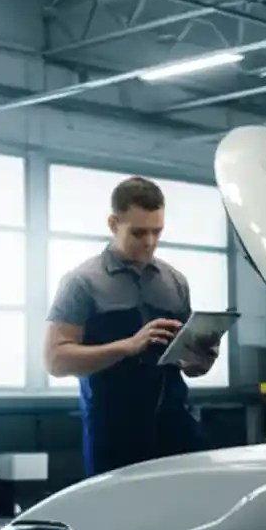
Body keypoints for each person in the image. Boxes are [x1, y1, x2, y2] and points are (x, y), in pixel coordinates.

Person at [45, 175, 222, 477]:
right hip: (113, 431)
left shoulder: (175, 282)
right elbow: (55, 360)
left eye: (157, 231)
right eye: (139, 233)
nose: (150, 242)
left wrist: (201, 356)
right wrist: (127, 346)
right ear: (113, 224)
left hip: (173, 423)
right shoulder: (81, 282)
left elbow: (190, 367)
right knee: (116, 519)